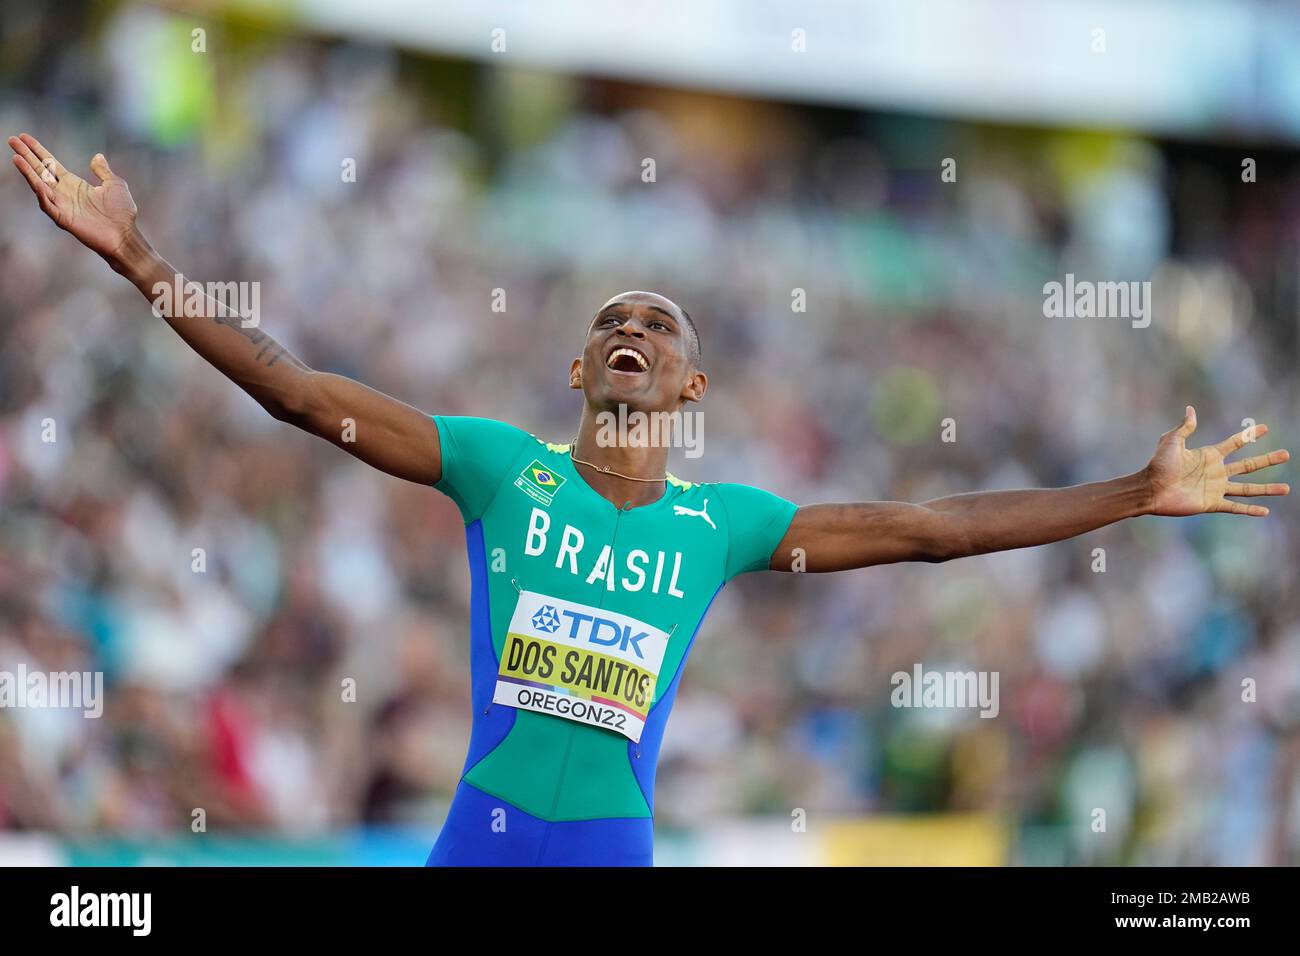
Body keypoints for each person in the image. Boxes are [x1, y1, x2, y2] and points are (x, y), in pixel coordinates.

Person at [8, 134, 1291, 866]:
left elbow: (932, 530)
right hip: (484, 829)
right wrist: (141, 258)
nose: (632, 327)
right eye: (612, 319)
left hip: (607, 848)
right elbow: (293, 390)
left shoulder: (719, 523)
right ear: (579, 367)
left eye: (658, 324)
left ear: (689, 380)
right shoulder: (501, 465)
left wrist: (1134, 489)